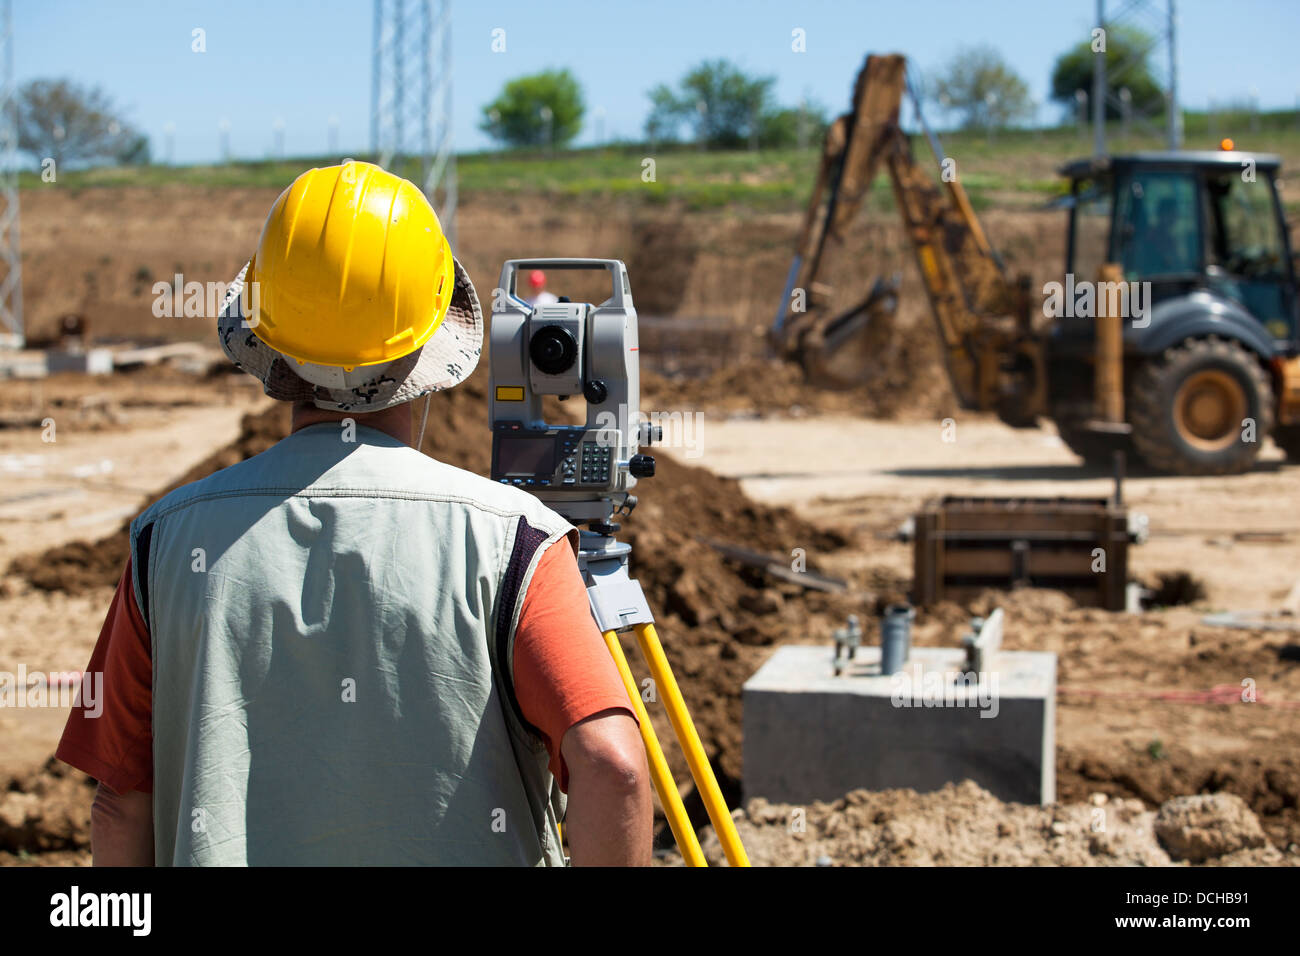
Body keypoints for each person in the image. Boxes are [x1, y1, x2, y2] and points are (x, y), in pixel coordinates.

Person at [56, 161, 651, 866]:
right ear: (434, 347)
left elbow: (120, 798)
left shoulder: (165, 542)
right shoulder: (515, 543)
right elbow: (613, 767)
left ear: (267, 345)